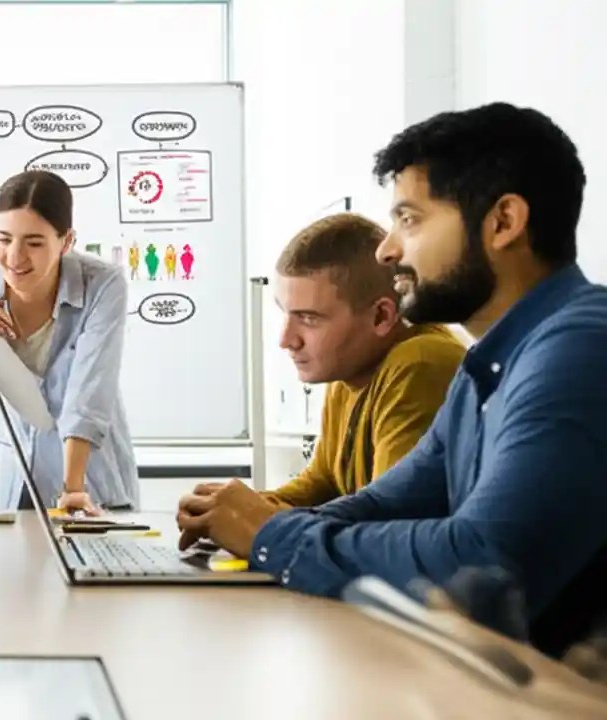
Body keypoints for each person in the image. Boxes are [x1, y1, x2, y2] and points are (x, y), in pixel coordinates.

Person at [175, 102, 607, 658]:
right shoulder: (488, 366)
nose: (388, 248)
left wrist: (268, 536)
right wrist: (243, 520)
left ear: (504, 222)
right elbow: (382, 504)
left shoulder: (580, 345)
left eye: (410, 219)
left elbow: (484, 563)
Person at [0, 170, 138, 514]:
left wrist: (73, 487)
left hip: (86, 484)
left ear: (66, 241)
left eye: (34, 243)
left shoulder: (102, 284)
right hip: (3, 487)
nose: (14, 257)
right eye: (4, 239)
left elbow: (89, 391)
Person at [264, 212, 465, 508]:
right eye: (286, 313)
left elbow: (388, 517)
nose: (286, 340)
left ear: (381, 316)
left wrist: (257, 522)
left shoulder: (420, 363)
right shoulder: (349, 369)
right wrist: (230, 507)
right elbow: (323, 482)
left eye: (308, 318)